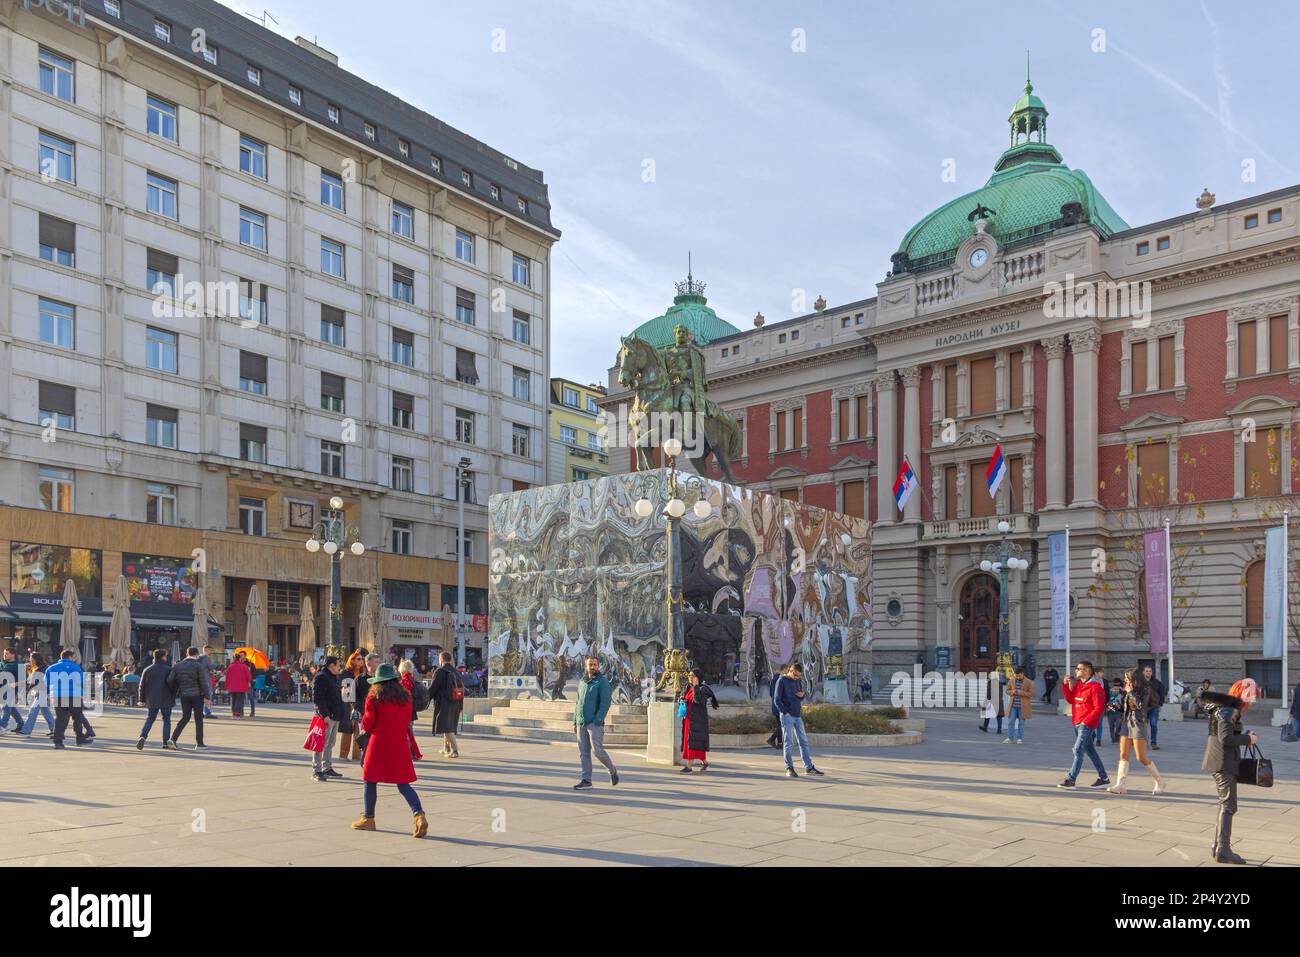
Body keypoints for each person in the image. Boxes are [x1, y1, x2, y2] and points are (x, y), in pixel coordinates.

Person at [350, 663, 427, 838]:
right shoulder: (405, 697)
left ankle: (368, 818)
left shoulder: (374, 697)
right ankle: (419, 814)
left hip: (378, 744)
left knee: (370, 780)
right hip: (399, 743)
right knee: (403, 784)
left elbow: (368, 724)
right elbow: (407, 719)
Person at [1201, 679, 1260, 864]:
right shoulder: (1228, 710)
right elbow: (1225, 738)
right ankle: (1223, 850)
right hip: (1223, 763)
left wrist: (1243, 735)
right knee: (1229, 806)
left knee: (1225, 805)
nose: (1252, 700)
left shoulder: (1225, 708)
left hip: (1220, 761)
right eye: (1251, 695)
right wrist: (1248, 739)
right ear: (1242, 693)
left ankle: (1218, 845)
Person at [1107, 669, 1166, 795]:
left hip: (1139, 723)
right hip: (1126, 723)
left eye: (1127, 678)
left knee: (1141, 757)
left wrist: (1131, 692)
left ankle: (1160, 781)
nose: (1125, 680)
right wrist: (1116, 707)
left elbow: (1140, 706)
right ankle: (1120, 785)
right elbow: (1126, 708)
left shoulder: (1146, 690)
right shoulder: (1128, 690)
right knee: (1123, 754)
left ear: (1134, 678)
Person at [1058, 660, 1110, 789]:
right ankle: (1104, 778)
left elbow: (1099, 709)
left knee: (1078, 750)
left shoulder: (1095, 687)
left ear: (1087, 671)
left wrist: (1086, 722)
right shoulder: (1079, 685)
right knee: (1090, 751)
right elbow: (1071, 699)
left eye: (1078, 668)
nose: (1076, 670)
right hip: (1077, 722)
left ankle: (1071, 779)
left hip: (1086, 724)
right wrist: (1065, 685)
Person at [572, 655, 619, 790]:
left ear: (598, 666)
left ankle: (612, 770)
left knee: (597, 751)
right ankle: (586, 780)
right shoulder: (582, 681)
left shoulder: (602, 682)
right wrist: (575, 721)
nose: (592, 667)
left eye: (595, 665)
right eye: (590, 665)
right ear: (586, 666)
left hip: (594, 723)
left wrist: (598, 720)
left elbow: (605, 703)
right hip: (581, 722)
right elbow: (578, 702)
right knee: (584, 753)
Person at [774, 662, 823, 778]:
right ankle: (789, 768)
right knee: (789, 742)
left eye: (798, 676)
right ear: (790, 670)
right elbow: (776, 700)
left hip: (797, 715)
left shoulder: (797, 681)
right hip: (787, 716)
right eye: (795, 675)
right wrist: (785, 712)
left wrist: (802, 696)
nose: (796, 677)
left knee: (804, 741)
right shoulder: (781, 681)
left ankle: (809, 767)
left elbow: (800, 697)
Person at [169, 646, 211, 750]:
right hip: (197, 695)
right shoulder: (198, 665)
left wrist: (177, 688)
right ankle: (199, 743)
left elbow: (170, 680)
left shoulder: (178, 665)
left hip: (184, 695)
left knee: (185, 717)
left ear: (187, 654)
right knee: (198, 719)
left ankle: (173, 738)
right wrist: (207, 697)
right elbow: (203, 682)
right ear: (196, 654)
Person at [46, 650, 89, 749]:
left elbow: (46, 682)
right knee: (77, 718)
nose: (74, 659)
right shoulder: (75, 667)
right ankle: (80, 739)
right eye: (74, 657)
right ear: (70, 657)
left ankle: (58, 742)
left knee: (60, 719)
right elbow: (81, 682)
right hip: (74, 696)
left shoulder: (52, 668)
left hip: (58, 696)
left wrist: (49, 694)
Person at [312, 656, 345, 781]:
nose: (339, 667)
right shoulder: (321, 677)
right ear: (331, 665)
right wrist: (324, 715)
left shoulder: (333, 677)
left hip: (335, 715)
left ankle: (327, 767)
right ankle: (317, 769)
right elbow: (318, 699)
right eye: (338, 665)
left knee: (330, 744)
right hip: (326, 717)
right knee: (320, 744)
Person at [136, 649, 177, 750]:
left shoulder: (147, 669)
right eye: (166, 656)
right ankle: (165, 742)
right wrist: (173, 695)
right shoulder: (168, 669)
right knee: (166, 720)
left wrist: (141, 699)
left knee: (150, 719)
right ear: (163, 657)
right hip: (166, 698)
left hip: (152, 698)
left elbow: (141, 686)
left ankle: (143, 736)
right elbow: (173, 684)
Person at [680, 668, 719, 772]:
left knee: (692, 742)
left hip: (698, 721)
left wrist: (696, 686)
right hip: (689, 719)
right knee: (694, 742)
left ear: (698, 677)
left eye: (692, 676)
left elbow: (698, 700)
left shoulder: (703, 689)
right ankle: (705, 763)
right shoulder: (689, 688)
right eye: (689, 676)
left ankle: (689, 766)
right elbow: (689, 699)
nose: (690, 678)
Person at [430, 651, 463, 757]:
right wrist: (461, 705)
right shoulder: (456, 672)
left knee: (447, 728)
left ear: (442, 659)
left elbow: (433, 688)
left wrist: (425, 698)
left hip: (444, 703)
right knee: (448, 725)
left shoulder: (440, 672)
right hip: (456, 702)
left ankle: (455, 751)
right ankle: (446, 747)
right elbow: (461, 689)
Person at [20, 653, 56, 737]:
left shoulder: (42, 669)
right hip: (40, 692)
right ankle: (55, 729)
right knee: (45, 712)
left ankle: (26, 730)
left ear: (35, 659)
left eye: (31, 658)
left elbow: (37, 682)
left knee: (33, 711)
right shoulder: (39, 668)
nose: (29, 660)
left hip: (42, 693)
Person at [337, 651, 365, 761]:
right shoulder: (346, 673)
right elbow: (345, 691)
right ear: (352, 660)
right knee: (348, 730)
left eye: (362, 659)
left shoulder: (363, 674)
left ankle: (356, 755)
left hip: (360, 705)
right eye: (358, 659)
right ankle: (343, 755)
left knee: (358, 731)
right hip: (347, 705)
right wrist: (351, 706)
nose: (361, 661)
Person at [397, 660, 424, 761]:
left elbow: (403, 697)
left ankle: (409, 753)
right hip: (411, 710)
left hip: (405, 711)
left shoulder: (404, 681)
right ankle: (413, 753)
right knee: (409, 732)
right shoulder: (412, 679)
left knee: (407, 733)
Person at [1002, 665, 1033, 744]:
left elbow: (1031, 694)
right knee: (1010, 722)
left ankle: (1020, 738)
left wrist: (1021, 692)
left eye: (1019, 676)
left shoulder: (1029, 682)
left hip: (1023, 707)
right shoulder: (1012, 680)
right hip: (1013, 706)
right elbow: (1007, 690)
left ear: (1022, 674)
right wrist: (1012, 692)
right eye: (1016, 676)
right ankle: (1010, 738)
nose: (1018, 677)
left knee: (1021, 723)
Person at [1, 648, 27, 734]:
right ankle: (21, 724)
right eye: (4, 653)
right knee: (11, 708)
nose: (4, 655)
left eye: (7, 653)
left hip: (11, 690)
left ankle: (3, 726)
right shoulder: (2, 663)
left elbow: (24, 680)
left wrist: (15, 685)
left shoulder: (19, 665)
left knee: (6, 708)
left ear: (13, 655)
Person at [1143, 665, 1166, 749]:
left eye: (1150, 671)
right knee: (1143, 725)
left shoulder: (1157, 682)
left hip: (1154, 707)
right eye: (1147, 671)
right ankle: (1143, 741)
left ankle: (1153, 742)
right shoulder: (1140, 682)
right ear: (1143, 672)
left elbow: (1162, 692)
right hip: (1143, 708)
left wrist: (1160, 703)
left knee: (1153, 724)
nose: (1148, 672)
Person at [225, 653, 251, 718]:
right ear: (240, 658)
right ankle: (237, 713)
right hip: (242, 686)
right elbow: (249, 677)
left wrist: (227, 686)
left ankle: (233, 713)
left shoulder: (230, 666)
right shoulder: (244, 666)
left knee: (233, 700)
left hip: (232, 686)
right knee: (239, 700)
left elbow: (227, 677)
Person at [979, 670, 1004, 734]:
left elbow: (988, 694)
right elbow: (1001, 692)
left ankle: (985, 727)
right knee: (999, 716)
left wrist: (986, 702)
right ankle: (999, 730)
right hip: (999, 701)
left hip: (992, 701)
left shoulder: (990, 682)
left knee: (988, 714)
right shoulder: (999, 682)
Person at [198, 645, 219, 720]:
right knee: (208, 696)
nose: (211, 652)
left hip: (200, 680)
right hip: (206, 680)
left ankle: (201, 712)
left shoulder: (198, 658)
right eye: (210, 650)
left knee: (201, 697)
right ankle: (207, 712)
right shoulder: (206, 658)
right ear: (206, 650)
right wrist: (216, 665)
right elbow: (210, 667)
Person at [765, 669, 783, 750]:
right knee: (783, 725)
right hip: (780, 705)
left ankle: (780, 743)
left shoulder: (773, 680)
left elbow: (771, 694)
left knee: (780, 724)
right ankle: (772, 739)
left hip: (774, 705)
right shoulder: (781, 680)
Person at [1105, 679, 1125, 744]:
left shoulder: (1121, 696)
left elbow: (1122, 706)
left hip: (1118, 713)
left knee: (1118, 725)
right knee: (1111, 726)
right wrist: (1109, 707)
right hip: (1110, 714)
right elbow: (1106, 703)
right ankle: (1112, 738)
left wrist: (1118, 706)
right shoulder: (1109, 695)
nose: (1115, 690)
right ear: (1112, 689)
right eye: (1114, 689)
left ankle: (1117, 736)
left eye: (1117, 689)